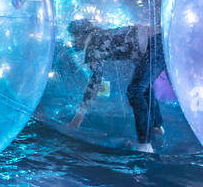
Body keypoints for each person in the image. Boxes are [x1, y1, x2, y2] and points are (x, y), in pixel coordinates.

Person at [66, 19, 167, 152]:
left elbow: (94, 82)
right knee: (143, 88)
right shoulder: (100, 35)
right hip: (160, 41)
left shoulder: (93, 44)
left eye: (73, 36)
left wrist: (80, 115)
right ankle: (156, 126)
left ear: (81, 34)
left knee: (135, 90)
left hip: (155, 44)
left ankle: (145, 144)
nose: (72, 41)